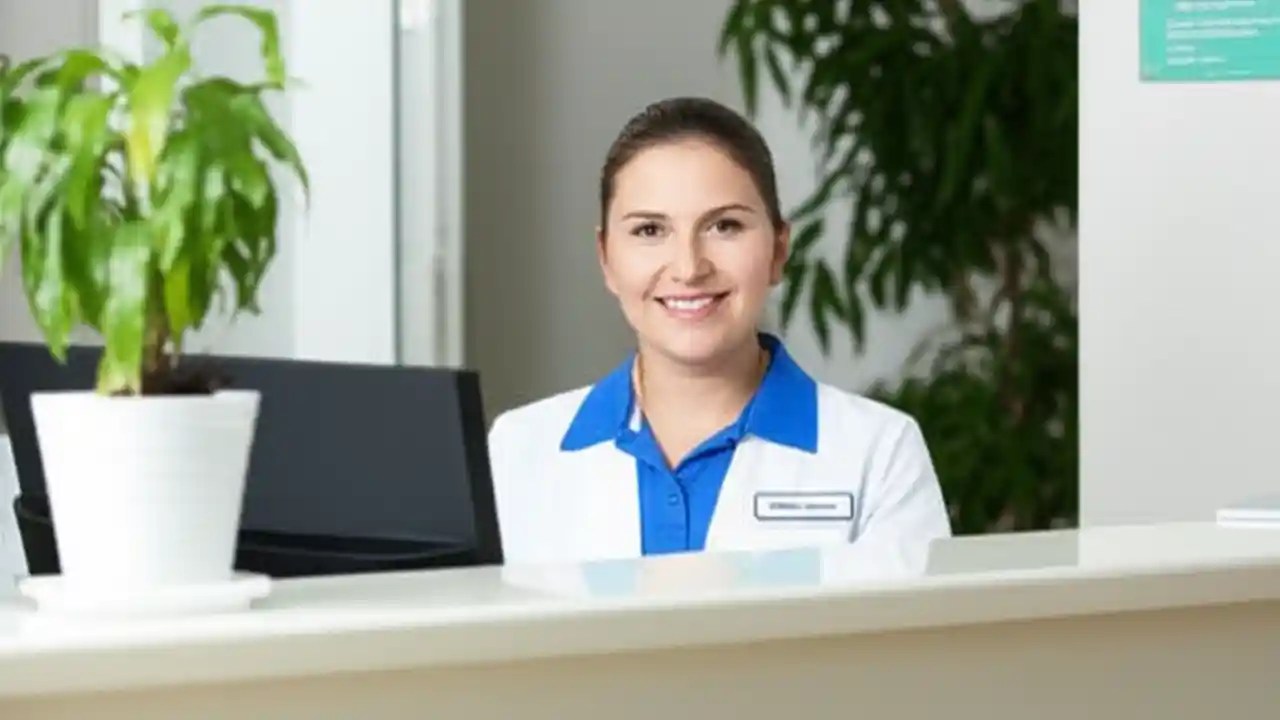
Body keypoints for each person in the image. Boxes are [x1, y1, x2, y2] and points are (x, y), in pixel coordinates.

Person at [487, 96, 951, 569]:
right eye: (650, 230)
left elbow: (912, 641)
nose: (689, 268)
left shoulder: (879, 451)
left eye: (724, 226)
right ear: (606, 257)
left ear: (778, 250)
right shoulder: (518, 449)